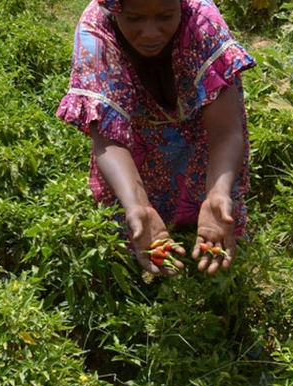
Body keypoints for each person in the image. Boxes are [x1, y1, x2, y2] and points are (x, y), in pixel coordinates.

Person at [56, 0, 254, 277]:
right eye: (135, 19)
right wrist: (137, 205)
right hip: (137, 135)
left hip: (201, 132)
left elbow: (224, 131)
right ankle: (147, 219)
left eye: (164, 16)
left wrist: (217, 193)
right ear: (115, 10)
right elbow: (108, 140)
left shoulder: (202, 22)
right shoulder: (96, 31)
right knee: (132, 214)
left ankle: (207, 209)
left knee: (220, 201)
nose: (150, 32)